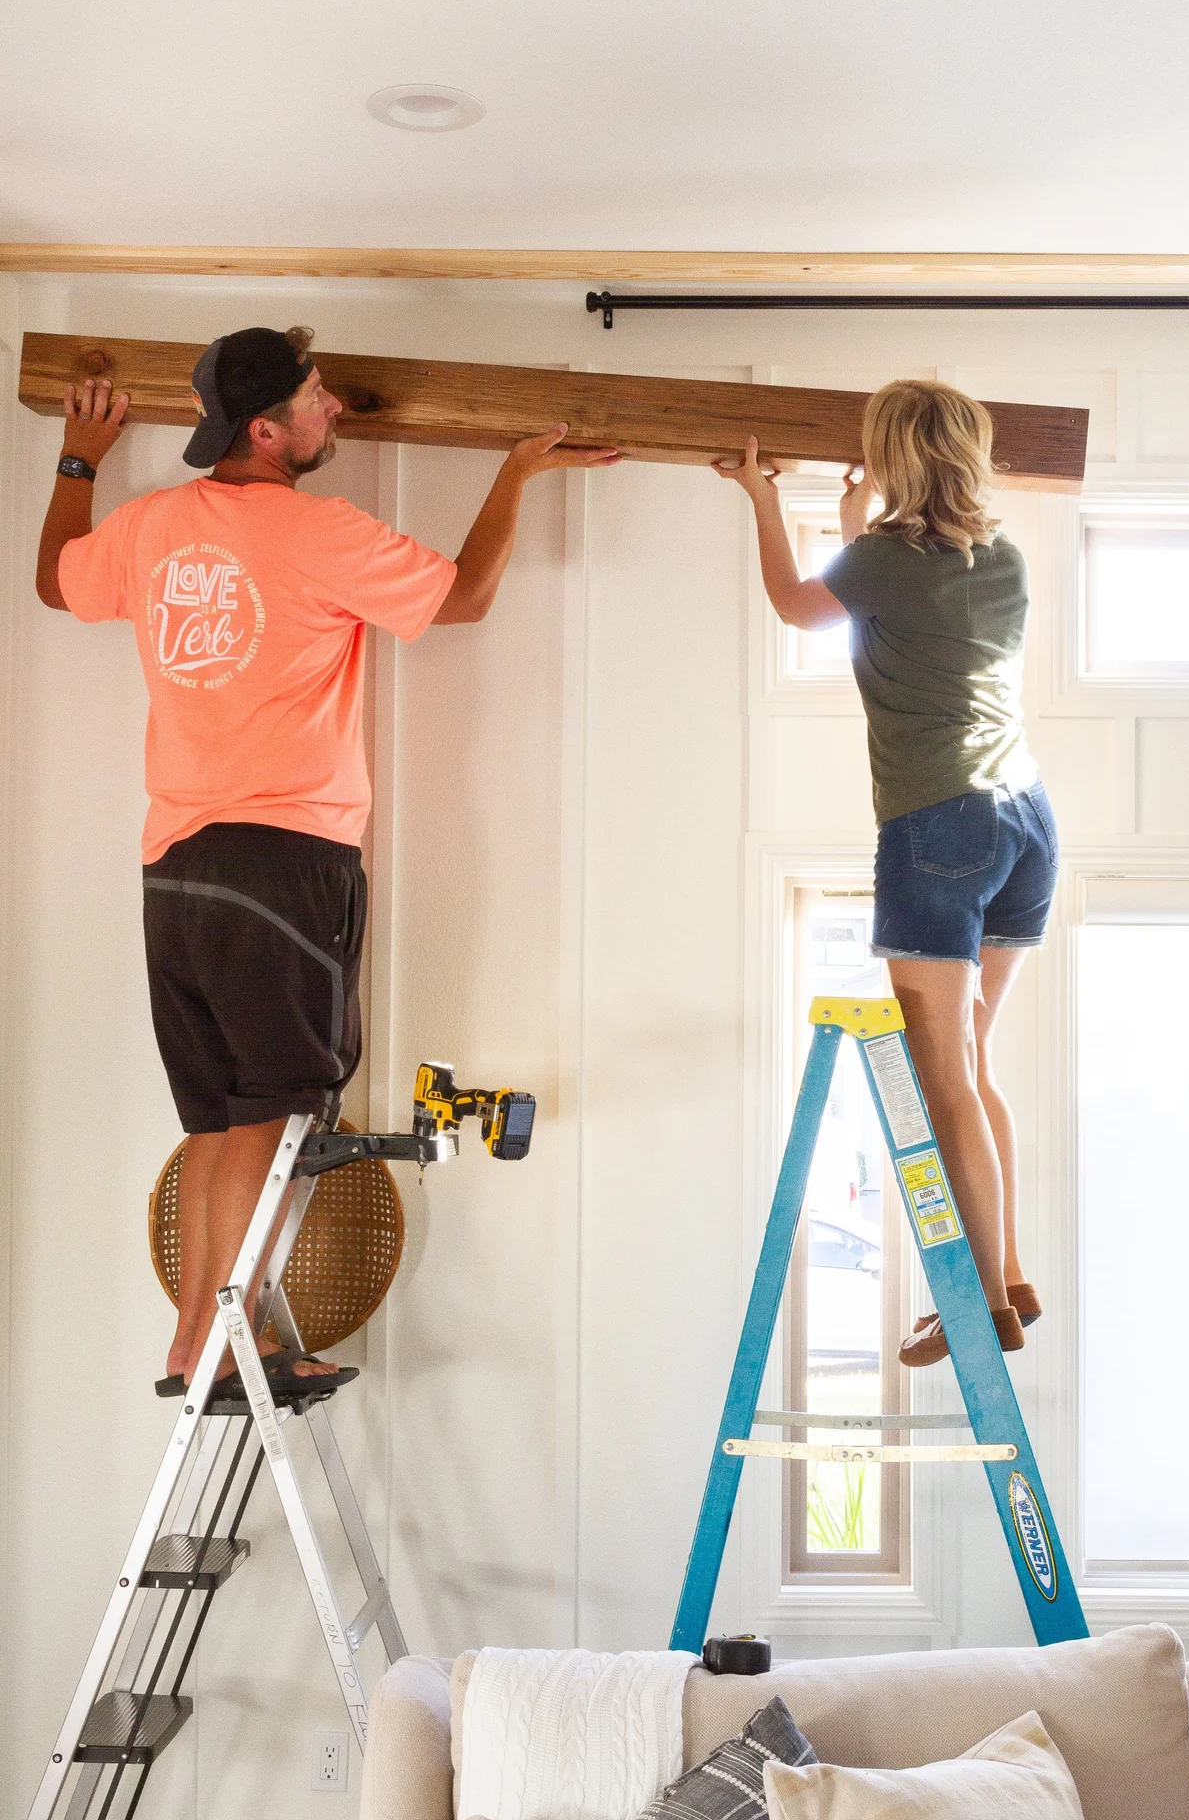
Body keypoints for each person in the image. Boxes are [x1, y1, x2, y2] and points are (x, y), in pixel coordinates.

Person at [36, 326, 619, 1397]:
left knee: (221, 1121)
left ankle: (194, 1341)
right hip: (285, 860)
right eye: (315, 399)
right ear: (266, 430)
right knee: (284, 1112)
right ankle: (238, 1336)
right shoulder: (317, 533)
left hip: (175, 868)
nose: (335, 409)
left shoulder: (151, 527)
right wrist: (515, 473)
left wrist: (79, 461)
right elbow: (466, 596)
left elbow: (53, 582)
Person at [715, 379, 1056, 1365]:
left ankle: (977, 1305)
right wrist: (858, 526)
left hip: (939, 828)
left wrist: (759, 496)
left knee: (938, 1071)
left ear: (895, 460)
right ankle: (1011, 1277)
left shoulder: (875, 563)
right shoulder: (1005, 558)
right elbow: (902, 595)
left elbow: (796, 605)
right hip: (1026, 819)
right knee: (974, 1059)